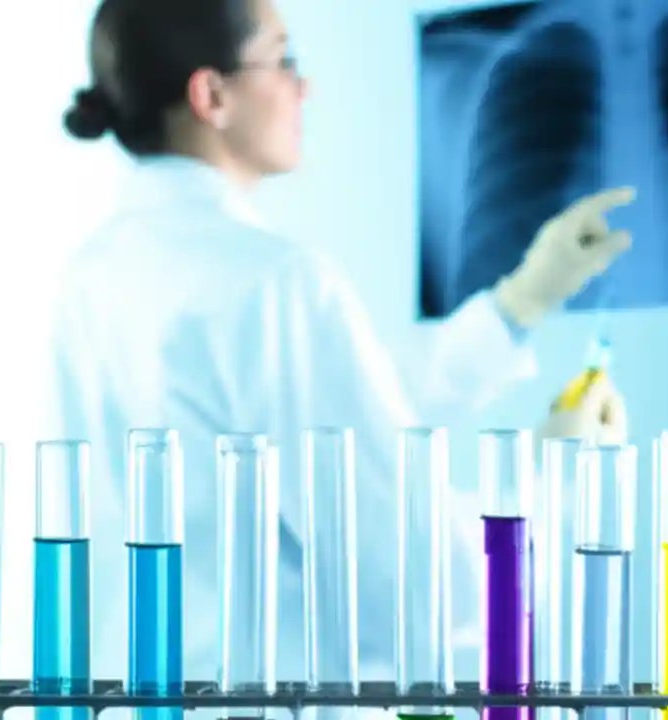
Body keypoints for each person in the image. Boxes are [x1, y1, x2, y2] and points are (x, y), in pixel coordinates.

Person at [50, 0, 632, 694]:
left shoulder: (93, 271)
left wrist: (518, 305)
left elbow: (307, 415)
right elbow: (414, 580)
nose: (307, 87)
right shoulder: (273, 279)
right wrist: (549, 477)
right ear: (211, 95)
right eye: (284, 59)